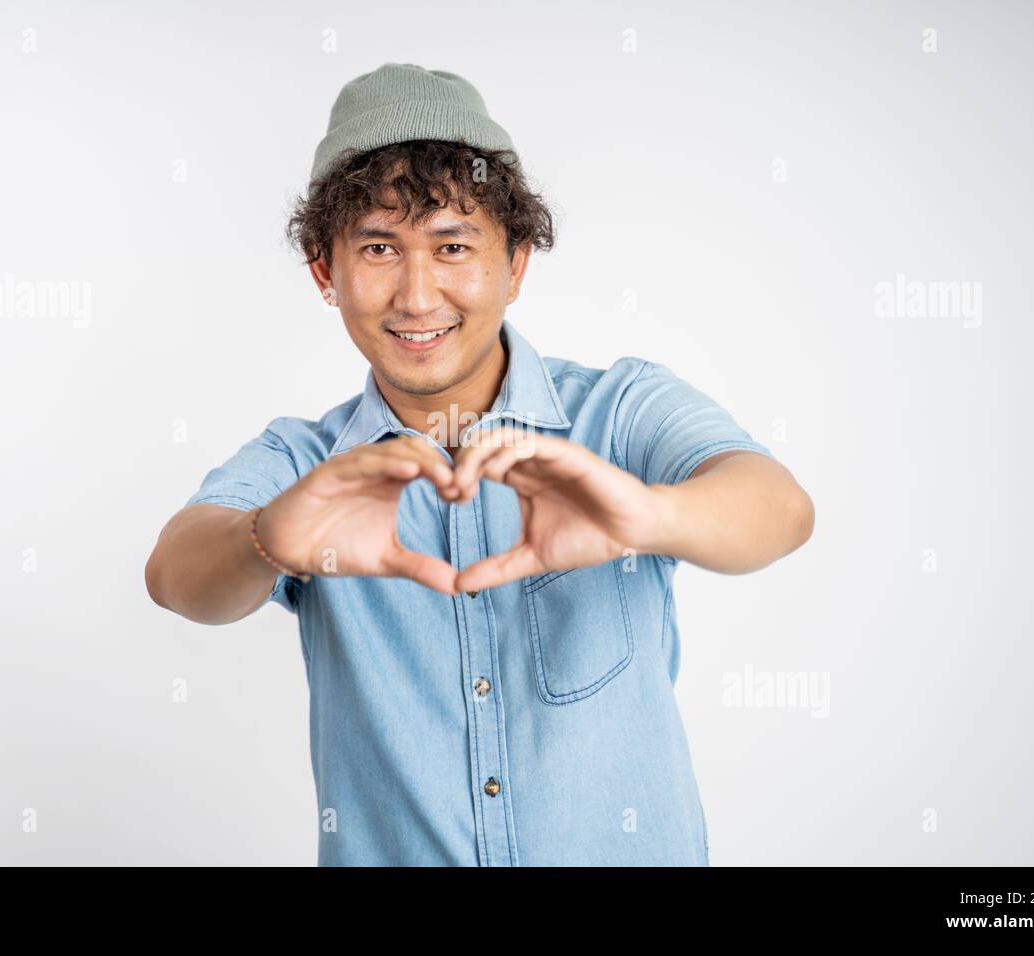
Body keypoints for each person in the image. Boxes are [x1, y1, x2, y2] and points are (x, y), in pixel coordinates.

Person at [144, 62, 814, 866]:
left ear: (516, 262)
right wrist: (268, 538)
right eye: (380, 248)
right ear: (327, 271)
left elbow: (780, 509)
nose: (418, 296)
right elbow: (174, 576)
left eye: (453, 245)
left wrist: (647, 515)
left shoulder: (620, 411)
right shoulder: (307, 462)